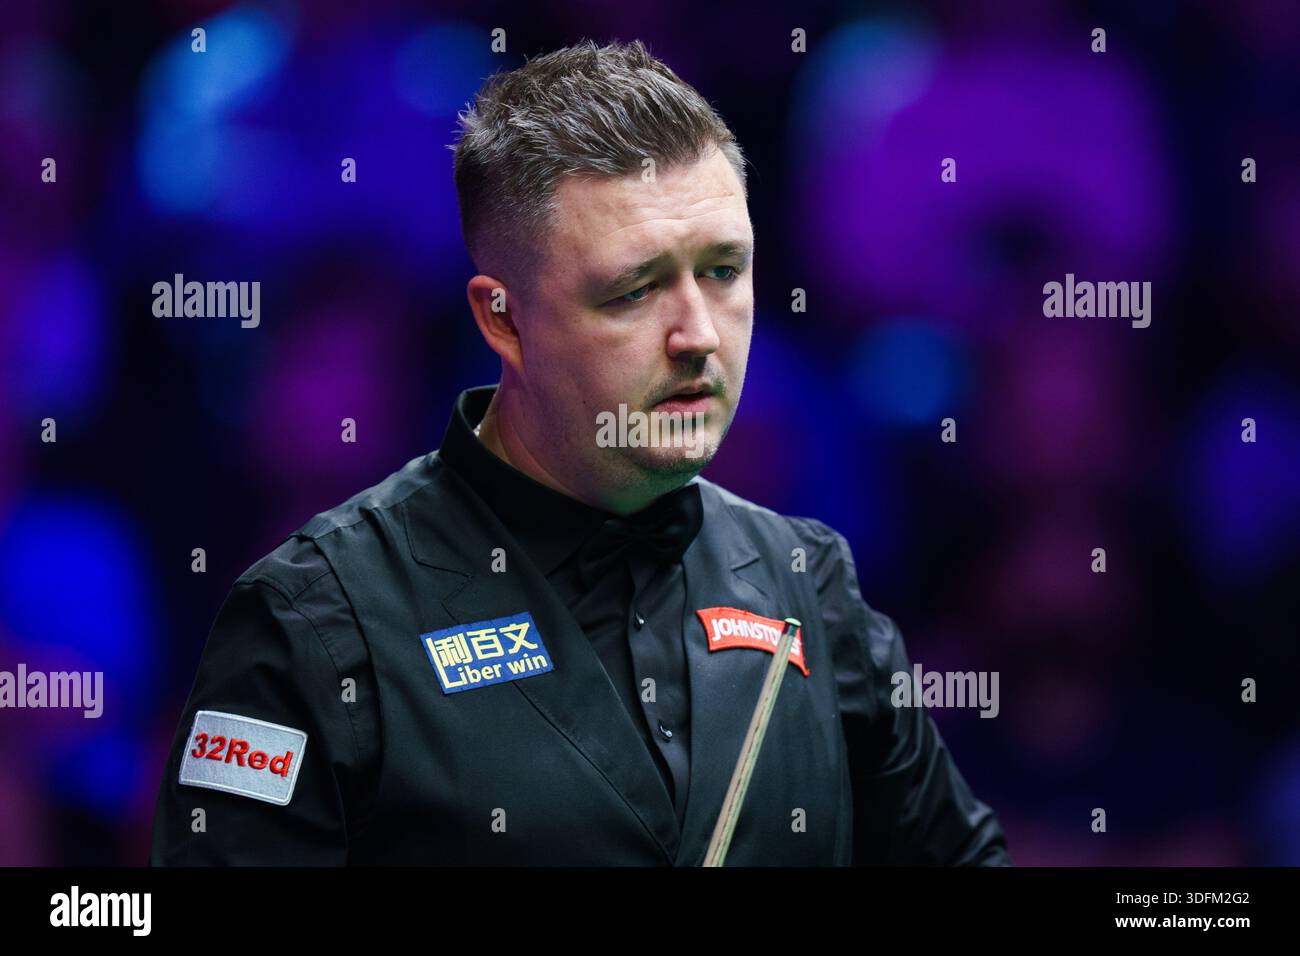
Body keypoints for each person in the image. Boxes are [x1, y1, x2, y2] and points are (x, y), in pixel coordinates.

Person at [150, 39, 1011, 866]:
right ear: (504, 320)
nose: (698, 336)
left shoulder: (809, 584)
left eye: (723, 272)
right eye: (633, 289)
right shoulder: (312, 620)